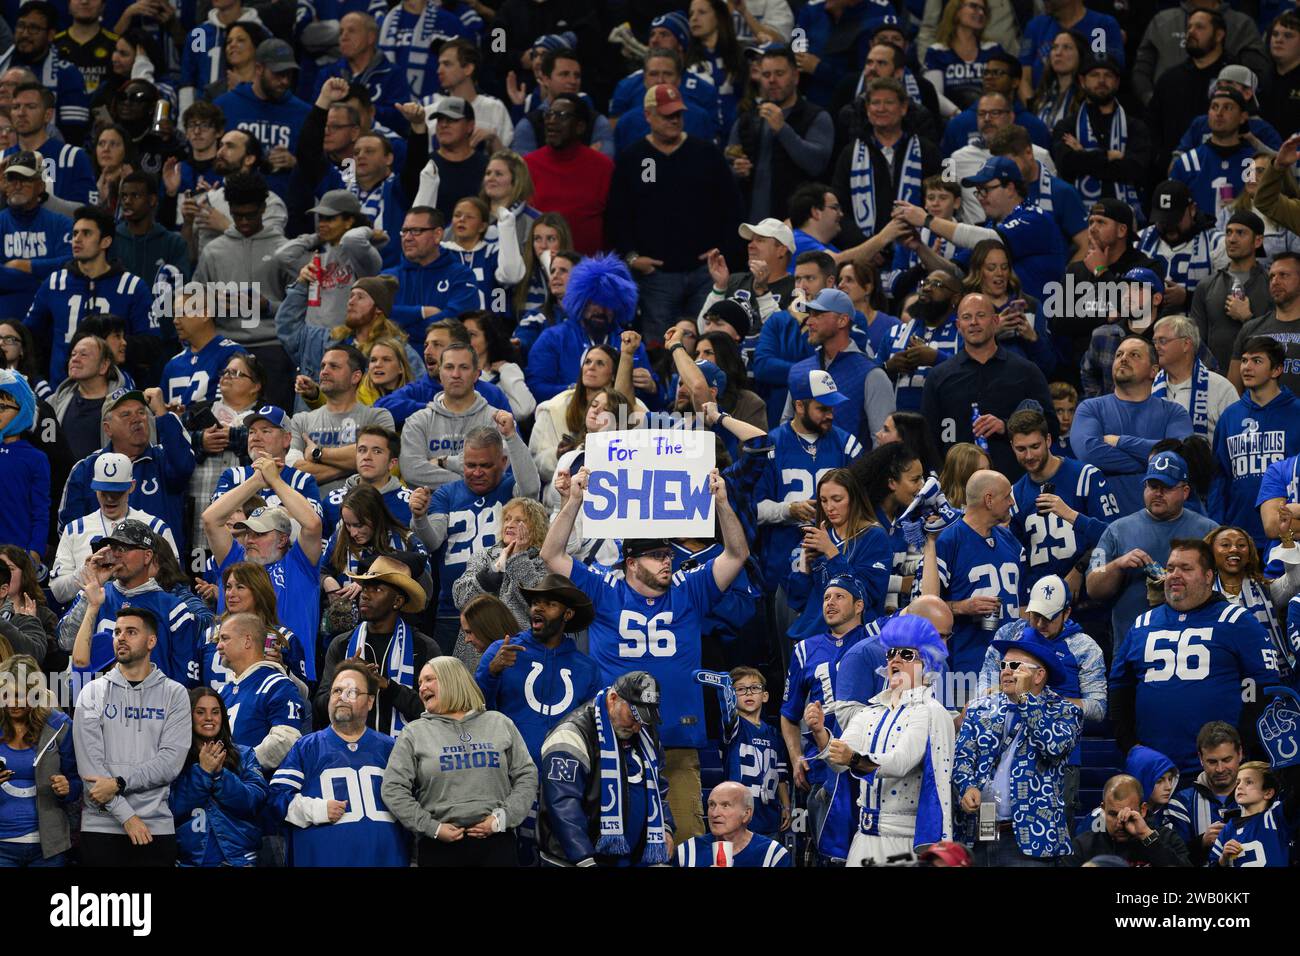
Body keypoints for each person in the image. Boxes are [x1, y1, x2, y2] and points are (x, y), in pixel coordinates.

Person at [541, 465, 747, 842]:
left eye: (667, 554)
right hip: (618, 740)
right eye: (655, 556)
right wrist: (573, 502)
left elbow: (737, 553)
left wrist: (722, 504)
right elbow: (551, 553)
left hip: (678, 742)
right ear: (631, 563)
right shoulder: (605, 589)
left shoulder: (690, 589)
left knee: (685, 841)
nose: (666, 561)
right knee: (624, 841)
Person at [1110, 538, 1280, 775]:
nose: (1174, 575)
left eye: (1186, 569)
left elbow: (1266, 687)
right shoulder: (1142, 623)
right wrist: (1130, 746)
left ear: (1209, 576)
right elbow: (1120, 687)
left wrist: (1242, 746)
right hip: (1153, 770)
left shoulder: (1237, 621)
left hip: (1219, 770)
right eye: (1170, 569)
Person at [814, 614, 954, 866]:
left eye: (906, 654)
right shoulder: (870, 711)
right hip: (864, 837)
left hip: (906, 841)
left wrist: (853, 758)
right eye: (891, 654)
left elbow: (900, 762)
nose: (895, 660)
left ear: (927, 661)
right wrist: (820, 734)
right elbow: (840, 762)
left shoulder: (929, 711)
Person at [607, 83, 742, 342]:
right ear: (648, 115)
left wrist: (723, 249)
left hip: (704, 272)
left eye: (678, 114)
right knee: (659, 347)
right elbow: (618, 216)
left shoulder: (706, 153)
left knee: (708, 342)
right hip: (657, 277)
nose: (674, 120)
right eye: (667, 115)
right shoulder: (633, 158)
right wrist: (633, 258)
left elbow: (732, 208)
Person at [382, 656, 538, 867]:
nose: (422, 688)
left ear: (452, 679)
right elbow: (392, 788)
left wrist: (502, 819)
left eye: (429, 679)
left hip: (497, 843)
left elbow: (526, 775)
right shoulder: (414, 732)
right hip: (439, 847)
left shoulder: (499, 723)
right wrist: (432, 827)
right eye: (419, 683)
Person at [72, 604, 191, 866]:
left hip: (155, 827)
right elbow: (90, 770)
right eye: (117, 632)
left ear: (151, 641)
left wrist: (119, 783)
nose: (121, 638)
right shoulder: (90, 694)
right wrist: (127, 816)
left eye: (131, 632)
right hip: (101, 826)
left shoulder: (175, 694)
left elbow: (170, 762)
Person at [411, 416, 541, 653]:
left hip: (502, 610)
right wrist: (419, 517)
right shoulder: (446, 494)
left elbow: (531, 489)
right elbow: (431, 541)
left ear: (503, 462)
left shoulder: (511, 489)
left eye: (486, 465)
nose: (477, 472)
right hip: (453, 611)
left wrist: (511, 436)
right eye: (470, 465)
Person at [952, 634, 1083, 865]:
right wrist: (966, 787)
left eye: (1014, 666)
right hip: (981, 833)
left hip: (1030, 838)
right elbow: (962, 758)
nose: (1006, 671)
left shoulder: (1064, 711)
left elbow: (1053, 748)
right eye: (1003, 665)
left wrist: (1025, 699)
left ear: (1039, 675)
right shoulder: (979, 709)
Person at [269, 661, 410, 867]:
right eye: (337, 691)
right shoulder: (306, 747)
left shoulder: (392, 748)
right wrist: (316, 809)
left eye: (352, 691)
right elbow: (275, 800)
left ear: (370, 701)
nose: (342, 697)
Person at [536, 670, 676, 867]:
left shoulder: (644, 731)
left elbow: (658, 787)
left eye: (643, 719)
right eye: (633, 716)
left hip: (630, 860)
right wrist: (584, 859)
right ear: (613, 699)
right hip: (575, 861)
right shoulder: (570, 734)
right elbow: (563, 805)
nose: (637, 727)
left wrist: (665, 827)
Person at [202, 460, 325, 681]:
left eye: (259, 534)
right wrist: (257, 480)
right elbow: (210, 519)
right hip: (227, 679)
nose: (249, 539)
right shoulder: (237, 561)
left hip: (290, 674)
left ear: (282, 539)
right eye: (248, 533)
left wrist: (276, 481)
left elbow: (312, 524)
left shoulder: (299, 566)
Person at [1086, 451, 1219, 649]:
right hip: (1133, 648)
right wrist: (1118, 565)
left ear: (1185, 491)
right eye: (1152, 486)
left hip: (1194, 647)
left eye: (1166, 487)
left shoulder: (1209, 531)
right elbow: (1092, 587)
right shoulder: (1115, 530)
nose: (1158, 492)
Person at [754, 368, 863, 607]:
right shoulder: (769, 446)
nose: (830, 415)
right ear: (800, 406)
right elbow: (753, 510)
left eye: (832, 408)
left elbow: (864, 509)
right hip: (782, 562)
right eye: (823, 408)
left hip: (837, 561)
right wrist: (789, 510)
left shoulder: (848, 445)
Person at [921, 292, 1058, 482]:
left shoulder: (1026, 371)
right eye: (967, 317)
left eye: (981, 315)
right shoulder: (938, 377)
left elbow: (1051, 425)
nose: (974, 322)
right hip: (959, 488)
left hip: (1015, 484)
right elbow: (928, 439)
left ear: (995, 321)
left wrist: (1007, 426)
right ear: (958, 326)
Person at [474, 571, 599, 768]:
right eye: (535, 603)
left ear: (568, 614)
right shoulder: (501, 651)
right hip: (510, 772)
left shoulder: (586, 669)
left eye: (550, 604)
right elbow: (476, 710)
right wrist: (491, 672)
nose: (538, 608)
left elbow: (592, 729)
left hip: (563, 776)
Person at [62, 518, 209, 683]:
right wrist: (89, 598)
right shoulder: (94, 593)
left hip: (154, 705)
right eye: (115, 548)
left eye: (125, 548)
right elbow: (65, 642)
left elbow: (185, 680)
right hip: (101, 702)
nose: (117, 554)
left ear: (147, 556)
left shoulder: (173, 608)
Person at [24, 204, 157, 384]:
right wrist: (41, 384)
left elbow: (152, 344)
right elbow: (27, 336)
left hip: (116, 396)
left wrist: (114, 345)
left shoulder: (132, 287)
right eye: (75, 233)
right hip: (61, 395)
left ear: (105, 242)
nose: (77, 239)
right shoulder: (55, 283)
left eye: (86, 233)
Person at [920, 469, 1026, 684]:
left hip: (1012, 663)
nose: (1011, 502)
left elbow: (1022, 604)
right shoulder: (948, 540)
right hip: (966, 667)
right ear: (989, 499)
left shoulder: (1011, 541)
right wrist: (963, 607)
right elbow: (924, 608)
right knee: (966, 717)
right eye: (1006, 496)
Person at [315, 555, 440, 737]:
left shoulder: (424, 647)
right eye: (365, 588)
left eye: (377, 589)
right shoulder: (342, 644)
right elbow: (319, 707)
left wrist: (388, 687)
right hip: (350, 750)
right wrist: (346, 679)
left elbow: (435, 710)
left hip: (406, 751)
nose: (365, 594)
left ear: (397, 601)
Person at [1073, 336, 1195, 515]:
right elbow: (1089, 453)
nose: (1123, 358)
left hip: (1164, 520)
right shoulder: (1090, 408)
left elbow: (1182, 455)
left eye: (1134, 355)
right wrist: (1156, 464)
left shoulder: (1174, 413)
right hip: (1105, 520)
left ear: (1153, 371)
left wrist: (1121, 441)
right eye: (1119, 354)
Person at [1007, 408, 1117, 589]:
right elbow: (1019, 558)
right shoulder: (1013, 495)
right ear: (1012, 446)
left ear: (1048, 440)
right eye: (1021, 449)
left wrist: (1080, 569)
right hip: (1042, 603)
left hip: (1089, 599)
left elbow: (1113, 536)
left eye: (1035, 446)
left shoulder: (1086, 476)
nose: (1029, 456)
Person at [50, 451, 178, 605]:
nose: (110, 498)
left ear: (132, 486)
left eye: (117, 492)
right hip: (89, 617)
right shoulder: (75, 529)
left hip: (144, 614)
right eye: (104, 492)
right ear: (94, 487)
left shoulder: (155, 527)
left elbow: (174, 582)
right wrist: (87, 572)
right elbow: (58, 592)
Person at [785, 468, 892, 643]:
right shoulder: (813, 536)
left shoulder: (875, 537)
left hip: (856, 639)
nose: (829, 507)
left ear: (854, 499)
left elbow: (865, 596)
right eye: (823, 500)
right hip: (812, 637)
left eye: (837, 499)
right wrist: (803, 566)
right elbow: (796, 599)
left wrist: (832, 553)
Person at [728, 46, 833, 222]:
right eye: (766, 75)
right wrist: (737, 169)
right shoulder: (746, 120)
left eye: (779, 73)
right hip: (750, 226)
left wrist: (783, 130)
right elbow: (728, 165)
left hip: (797, 225)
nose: (772, 80)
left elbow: (816, 164)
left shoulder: (816, 117)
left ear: (796, 77)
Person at [779, 287, 894, 446]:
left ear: (842, 320)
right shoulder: (800, 370)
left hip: (853, 469)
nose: (809, 321)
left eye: (818, 315)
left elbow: (883, 442)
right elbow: (786, 428)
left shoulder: (872, 374)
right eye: (810, 314)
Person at [170, 687, 268, 867]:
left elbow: (254, 801)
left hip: (239, 859)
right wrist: (203, 773)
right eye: (200, 712)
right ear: (188, 716)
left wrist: (219, 775)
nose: (209, 718)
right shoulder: (173, 757)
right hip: (188, 861)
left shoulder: (245, 755)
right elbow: (172, 808)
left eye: (215, 712)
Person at [0, 655, 78, 867]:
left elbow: (77, 782)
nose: (13, 703)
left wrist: (67, 788)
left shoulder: (60, 727)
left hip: (48, 848)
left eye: (21, 695)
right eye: (6, 695)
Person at [287, 344, 396, 495]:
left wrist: (317, 453)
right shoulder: (300, 421)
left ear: (355, 376)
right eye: (323, 366)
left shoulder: (378, 417)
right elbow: (294, 473)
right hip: (312, 511)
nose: (324, 371)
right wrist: (353, 466)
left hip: (364, 509)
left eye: (334, 366)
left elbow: (379, 462)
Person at [452, 497, 550, 654]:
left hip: (520, 652)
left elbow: (537, 607)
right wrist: (492, 573)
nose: (510, 524)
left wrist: (518, 557)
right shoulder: (484, 556)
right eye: (507, 519)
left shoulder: (544, 562)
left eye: (519, 521)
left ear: (535, 528)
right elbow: (460, 598)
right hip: (475, 653)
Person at [523, 93, 612, 255]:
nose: (551, 121)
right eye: (549, 114)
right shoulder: (527, 165)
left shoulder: (603, 167)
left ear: (580, 127)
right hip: (538, 268)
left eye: (561, 116)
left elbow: (616, 223)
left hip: (588, 270)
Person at [1191, 209, 1269, 373]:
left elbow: (1279, 339)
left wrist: (1248, 318)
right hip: (1215, 380)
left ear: (1258, 240)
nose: (1232, 239)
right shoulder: (1205, 286)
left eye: (1241, 233)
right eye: (1228, 232)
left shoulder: (1272, 286)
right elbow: (1197, 342)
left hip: (1263, 380)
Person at [1066, 774, 1191, 867]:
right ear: (1103, 809)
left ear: (1143, 810)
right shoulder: (1084, 846)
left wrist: (1146, 835)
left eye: (1128, 814)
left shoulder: (1166, 839)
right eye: (1113, 814)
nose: (1119, 822)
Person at [1150, 315, 1237, 446]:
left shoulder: (1220, 387)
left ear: (1186, 344)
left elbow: (1235, 438)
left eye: (1162, 341)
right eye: (1154, 342)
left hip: (1206, 465)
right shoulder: (1150, 385)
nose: (1156, 347)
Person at [1165, 720, 1243, 865]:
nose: (1220, 769)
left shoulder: (1263, 796)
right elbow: (1171, 859)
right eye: (1212, 762)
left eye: (1226, 760)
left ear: (1240, 754)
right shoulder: (1182, 803)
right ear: (1201, 759)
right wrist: (1201, 843)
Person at [674, 781, 791, 867]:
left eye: (725, 805)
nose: (715, 813)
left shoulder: (773, 855)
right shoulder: (687, 851)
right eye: (712, 805)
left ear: (746, 814)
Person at [1209, 761, 1296, 867]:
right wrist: (1223, 859)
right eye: (1238, 782)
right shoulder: (1227, 830)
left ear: (1268, 793)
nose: (1239, 787)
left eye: (1249, 782)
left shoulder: (1276, 817)